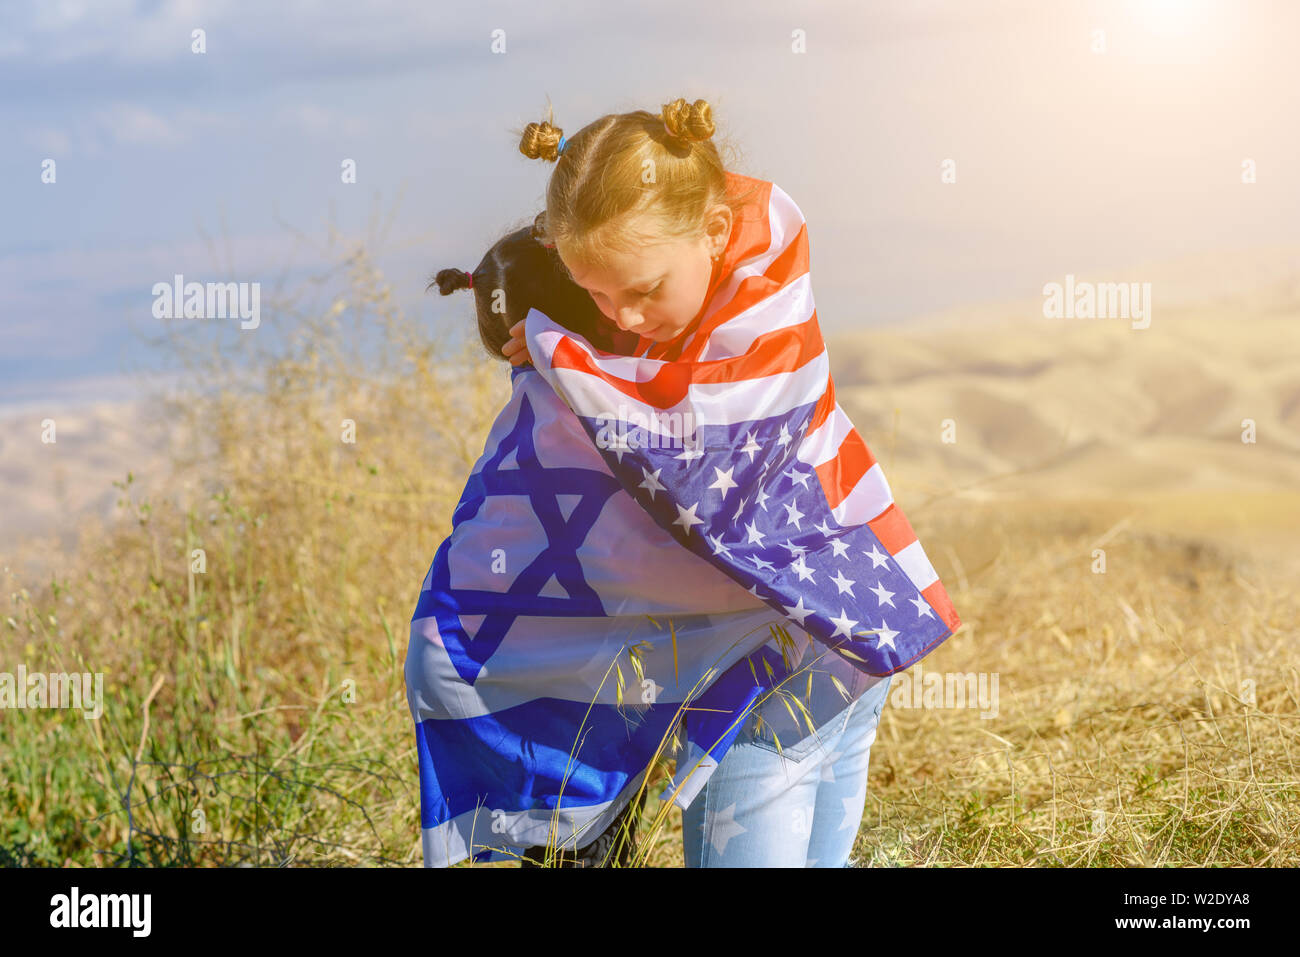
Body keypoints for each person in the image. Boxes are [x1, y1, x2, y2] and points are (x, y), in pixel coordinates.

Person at [503, 96, 961, 867]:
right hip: (845, 610)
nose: (624, 315)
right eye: (595, 293)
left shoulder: (757, 323)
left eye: (644, 289)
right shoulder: (739, 266)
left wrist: (560, 350)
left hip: (771, 656)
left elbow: (688, 442)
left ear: (714, 230)